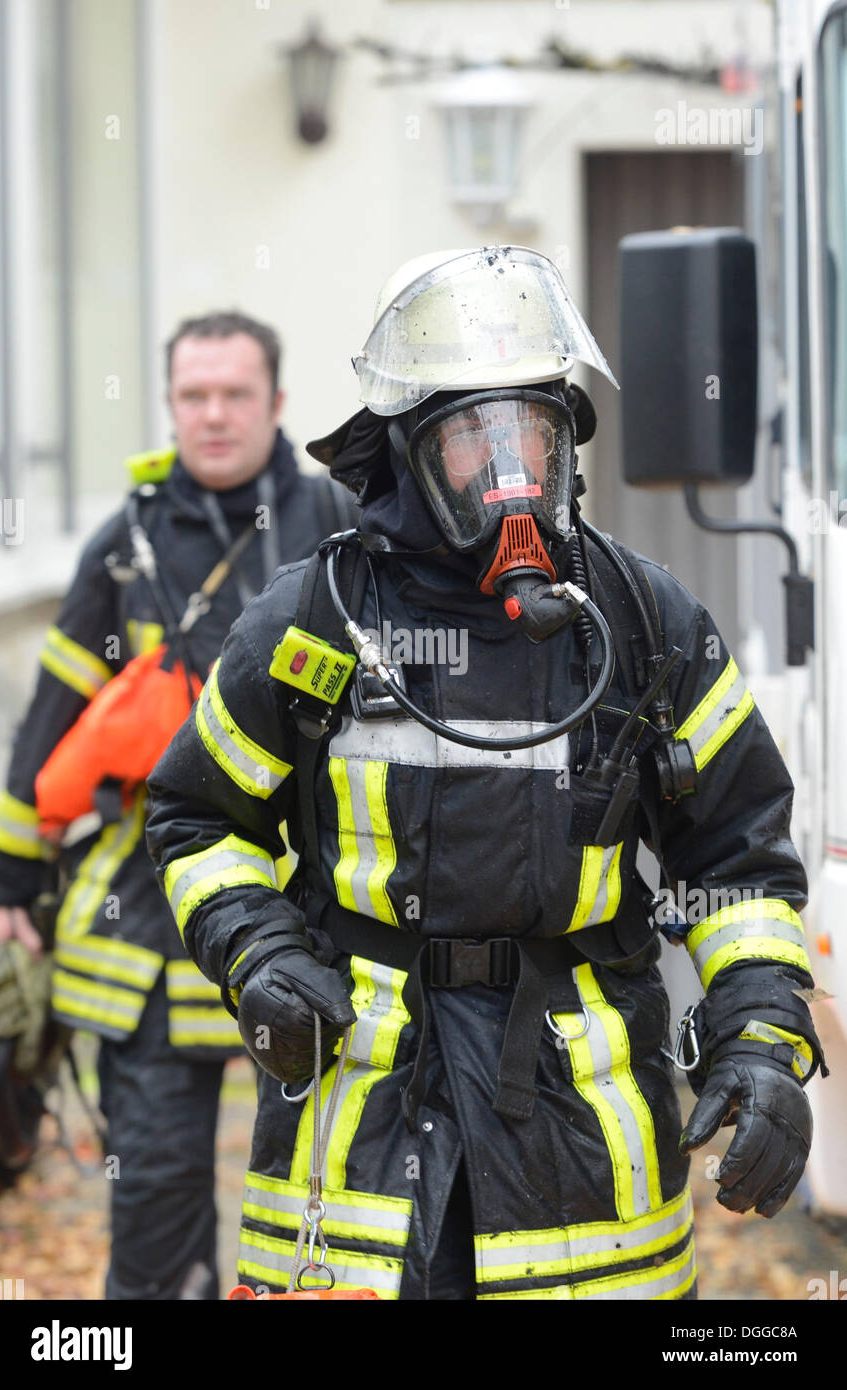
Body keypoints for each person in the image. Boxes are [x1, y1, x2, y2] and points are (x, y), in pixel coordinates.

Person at [145, 250, 825, 1301]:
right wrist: (258, 951)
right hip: (362, 1130)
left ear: (565, 444)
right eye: (471, 436)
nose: (507, 471)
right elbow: (196, 816)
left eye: (531, 433)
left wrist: (759, 1037)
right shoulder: (314, 620)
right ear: (407, 451)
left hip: (579, 1145)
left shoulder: (642, 623)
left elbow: (738, 857)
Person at [0, 309, 355, 1299]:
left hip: (320, 913)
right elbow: (53, 717)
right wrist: (1, 884)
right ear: (169, 405)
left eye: (236, 394)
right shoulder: (125, 542)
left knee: (340, 1194)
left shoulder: (339, 525)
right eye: (194, 395)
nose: (214, 414)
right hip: (149, 918)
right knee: (152, 1188)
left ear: (275, 403)